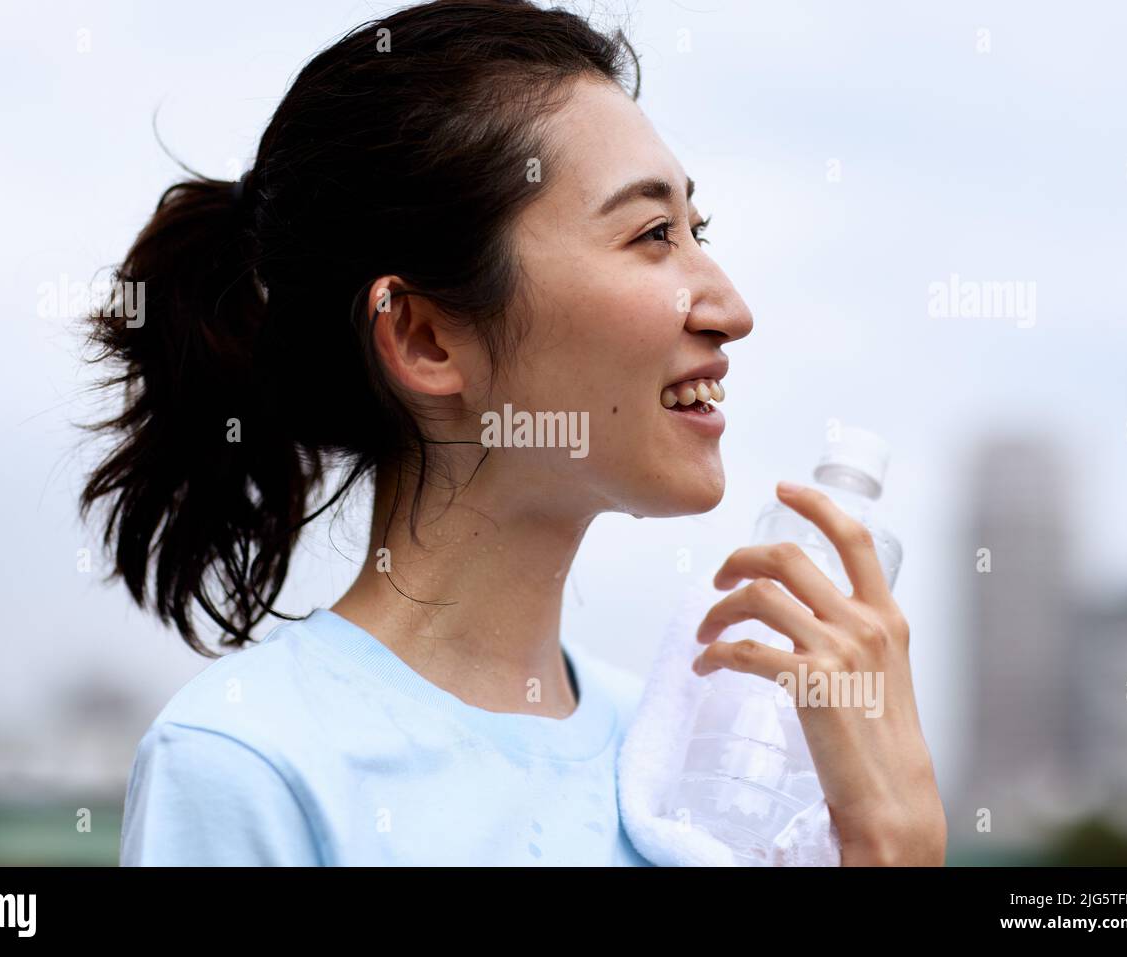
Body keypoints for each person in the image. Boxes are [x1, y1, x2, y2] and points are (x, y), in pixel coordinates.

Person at [81, 0, 945, 866]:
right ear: (427, 337)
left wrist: (889, 846)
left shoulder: (680, 777)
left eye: (697, 229)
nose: (731, 311)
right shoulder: (250, 767)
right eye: (652, 234)